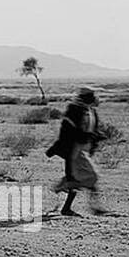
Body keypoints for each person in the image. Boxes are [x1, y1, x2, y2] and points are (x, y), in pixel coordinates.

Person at [47, 85, 105, 216]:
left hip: (84, 150)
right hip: (73, 150)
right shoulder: (74, 111)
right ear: (86, 97)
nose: (95, 98)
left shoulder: (90, 111)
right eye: (92, 96)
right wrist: (58, 147)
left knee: (80, 177)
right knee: (89, 177)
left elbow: (92, 130)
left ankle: (74, 205)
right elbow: (67, 132)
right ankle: (65, 188)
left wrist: (98, 136)